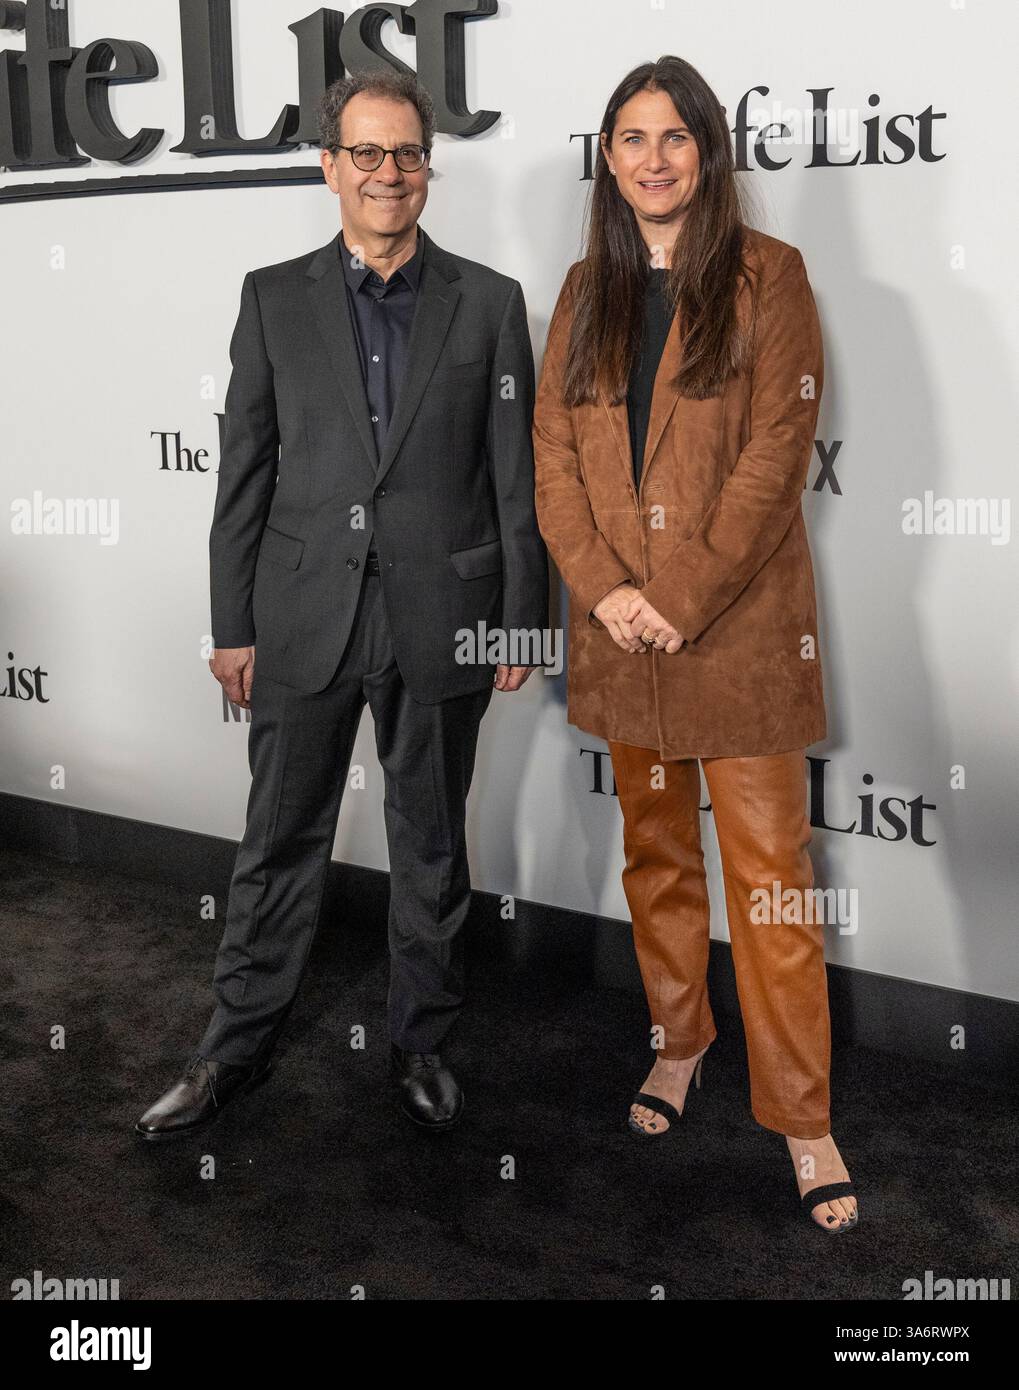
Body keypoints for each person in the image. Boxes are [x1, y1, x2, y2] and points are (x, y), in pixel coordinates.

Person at [136, 69, 547, 1139]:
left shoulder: (491, 303)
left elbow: (516, 482)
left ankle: (419, 1043)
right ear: (328, 167)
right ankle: (232, 1049)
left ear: (427, 168)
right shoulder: (272, 297)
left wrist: (521, 617)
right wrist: (232, 623)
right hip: (302, 617)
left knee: (431, 846)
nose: (386, 173)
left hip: (444, 618)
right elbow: (245, 475)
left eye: (405, 153)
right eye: (364, 153)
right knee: (276, 841)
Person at [532, 55, 858, 1234]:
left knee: (770, 887)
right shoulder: (582, 287)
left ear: (706, 152)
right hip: (621, 637)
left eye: (674, 137)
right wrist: (609, 593)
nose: (652, 158)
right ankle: (678, 1041)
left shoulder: (771, 277)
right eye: (630, 138)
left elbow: (775, 462)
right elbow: (551, 462)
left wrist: (674, 595)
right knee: (657, 860)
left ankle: (802, 1114)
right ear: (607, 158)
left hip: (735, 639)